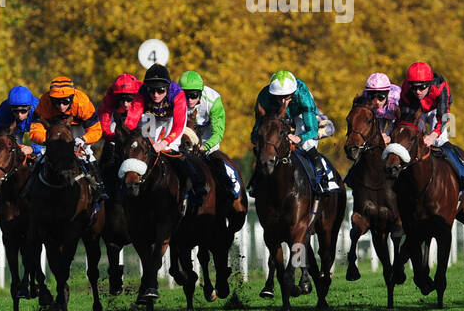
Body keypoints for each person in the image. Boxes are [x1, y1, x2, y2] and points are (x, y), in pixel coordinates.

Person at [251, 69, 339, 197]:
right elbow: (258, 125)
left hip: (299, 113)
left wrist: (299, 137)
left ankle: (323, 179)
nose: (282, 102)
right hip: (276, 115)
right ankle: (257, 180)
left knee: (307, 143)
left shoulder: (302, 95)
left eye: (286, 97)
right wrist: (258, 138)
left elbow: (312, 130)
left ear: (293, 92)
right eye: (278, 97)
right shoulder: (264, 97)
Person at [399, 61, 464, 195]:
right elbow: (406, 118)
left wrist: (433, 135)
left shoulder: (440, 86)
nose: (417, 91)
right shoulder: (406, 88)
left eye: (422, 87)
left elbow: (444, 117)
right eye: (414, 87)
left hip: (437, 111)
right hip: (417, 110)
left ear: (429, 84)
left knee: (441, 141)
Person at [137, 64, 204, 207]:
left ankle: (197, 188)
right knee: (144, 148)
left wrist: (163, 143)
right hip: (150, 117)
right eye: (152, 90)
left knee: (170, 151)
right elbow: (133, 120)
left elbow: (179, 126)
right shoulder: (141, 93)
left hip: (172, 120)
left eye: (160, 90)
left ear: (167, 88)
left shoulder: (177, 94)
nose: (155, 95)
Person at [28, 75, 104, 197]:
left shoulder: (82, 102)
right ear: (50, 99)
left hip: (77, 129)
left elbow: (96, 129)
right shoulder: (45, 102)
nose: (61, 106)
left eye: (65, 102)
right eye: (56, 102)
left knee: (87, 155)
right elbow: (35, 129)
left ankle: (100, 190)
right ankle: (29, 190)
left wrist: (84, 139)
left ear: (72, 98)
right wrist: (46, 140)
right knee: (40, 156)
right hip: (53, 130)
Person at [179, 70, 242, 201]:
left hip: (208, 136)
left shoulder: (213, 100)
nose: (189, 100)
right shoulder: (176, 100)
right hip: (184, 137)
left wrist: (205, 146)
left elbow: (218, 132)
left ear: (200, 93)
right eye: (186, 95)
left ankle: (229, 189)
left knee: (217, 159)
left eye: (193, 95)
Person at [0, 85, 43, 208]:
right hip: (13, 131)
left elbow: (45, 138)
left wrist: (33, 149)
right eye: (16, 111)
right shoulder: (3, 111)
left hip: (38, 130)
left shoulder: (39, 109)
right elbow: (0, 140)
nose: (20, 116)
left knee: (42, 158)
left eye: (23, 111)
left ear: (30, 107)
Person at [358, 72, 400, 146]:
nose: (377, 102)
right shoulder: (364, 97)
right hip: (378, 115)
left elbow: (400, 122)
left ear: (387, 93)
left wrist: (390, 137)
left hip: (393, 116)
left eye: (381, 97)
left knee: (388, 137)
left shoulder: (396, 97)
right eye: (373, 97)